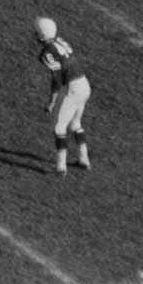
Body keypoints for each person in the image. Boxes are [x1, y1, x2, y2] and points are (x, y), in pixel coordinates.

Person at [34, 16, 91, 174]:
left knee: (59, 128)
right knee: (75, 124)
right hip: (84, 83)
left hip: (73, 87)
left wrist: (51, 102)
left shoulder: (47, 53)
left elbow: (57, 79)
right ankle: (84, 159)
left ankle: (61, 167)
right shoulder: (60, 41)